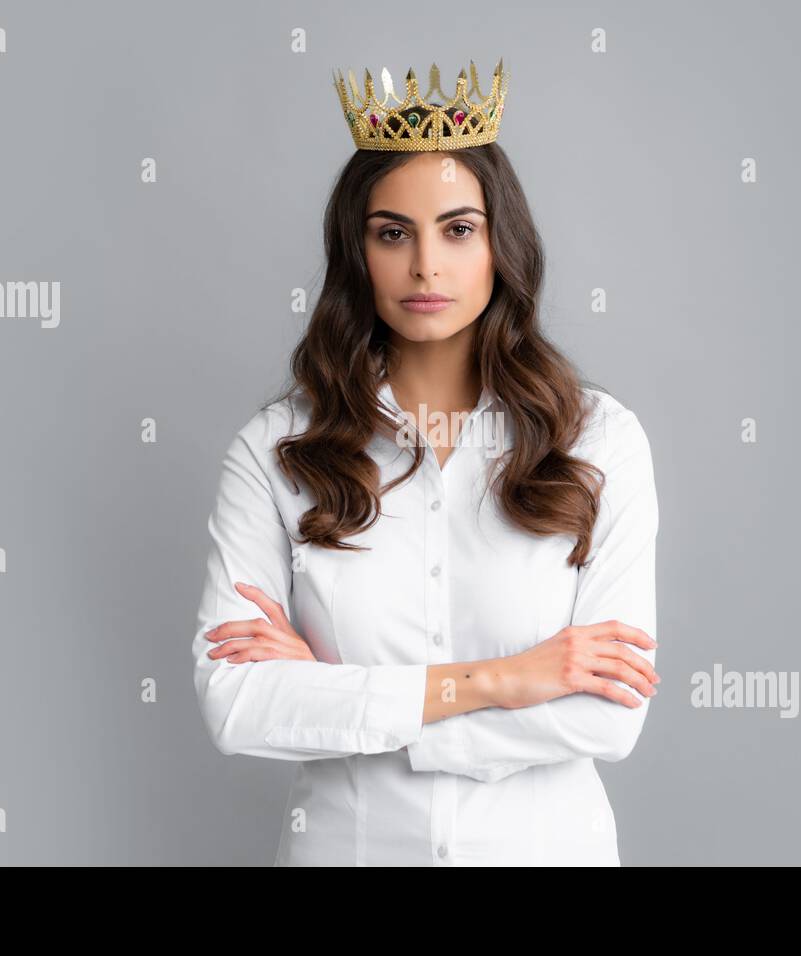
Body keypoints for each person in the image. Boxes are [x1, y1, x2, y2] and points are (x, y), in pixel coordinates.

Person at [191, 60, 661, 865]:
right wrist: (503, 680)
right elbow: (237, 706)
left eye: (458, 229)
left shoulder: (598, 442)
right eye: (391, 233)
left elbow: (607, 716)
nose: (425, 268)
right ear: (356, 250)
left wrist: (346, 702)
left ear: (500, 245)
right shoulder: (274, 453)